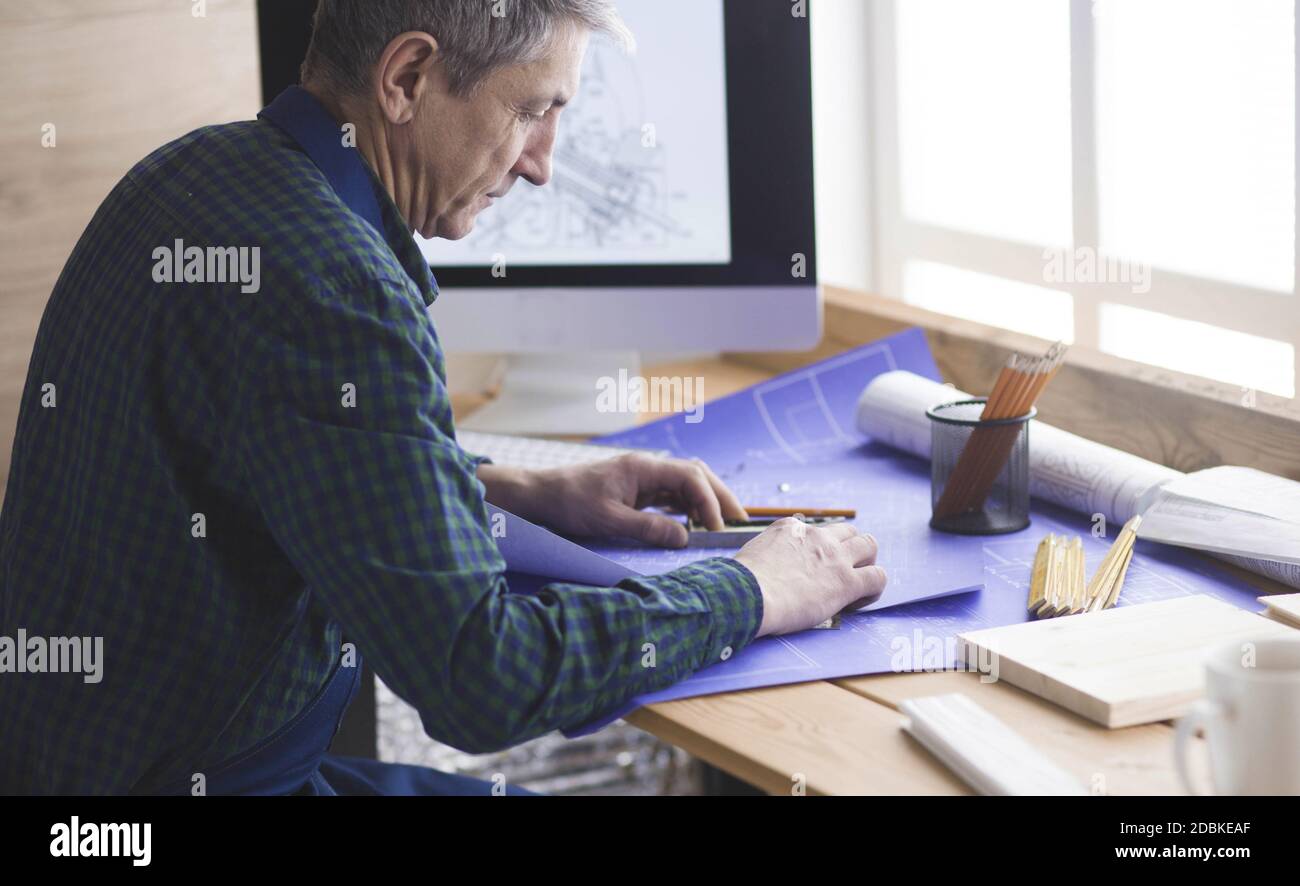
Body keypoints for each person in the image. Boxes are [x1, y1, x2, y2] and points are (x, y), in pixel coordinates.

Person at [0, 0, 885, 795]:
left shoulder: (192, 173)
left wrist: (523, 490)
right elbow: (480, 678)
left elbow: (289, 456)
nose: (542, 165)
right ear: (407, 78)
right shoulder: (337, 287)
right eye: (533, 109)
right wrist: (752, 591)